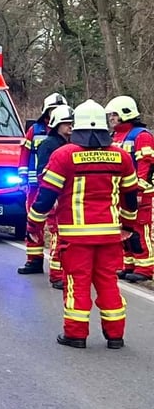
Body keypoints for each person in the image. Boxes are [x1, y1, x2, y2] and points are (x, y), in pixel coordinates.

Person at [27, 100, 139, 349]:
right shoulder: (120, 156)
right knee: (108, 283)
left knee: (77, 284)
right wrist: (128, 227)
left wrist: (33, 224)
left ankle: (76, 334)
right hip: (110, 236)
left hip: (75, 238)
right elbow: (131, 197)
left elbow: (45, 197)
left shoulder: (64, 155)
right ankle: (115, 336)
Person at [19, 105, 73, 286]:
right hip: (48, 193)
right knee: (49, 229)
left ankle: (59, 271)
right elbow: (42, 170)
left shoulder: (68, 143)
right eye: (66, 124)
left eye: (71, 123)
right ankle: (54, 273)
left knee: (60, 233)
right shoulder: (48, 143)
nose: (70, 127)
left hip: (61, 196)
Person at [106, 95, 154, 282]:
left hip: (139, 193)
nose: (111, 118)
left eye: (114, 115)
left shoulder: (141, 136)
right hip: (120, 192)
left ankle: (145, 268)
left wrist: (139, 190)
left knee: (140, 230)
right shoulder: (115, 137)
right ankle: (129, 264)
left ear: (126, 114)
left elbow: (146, 165)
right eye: (110, 115)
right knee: (124, 229)